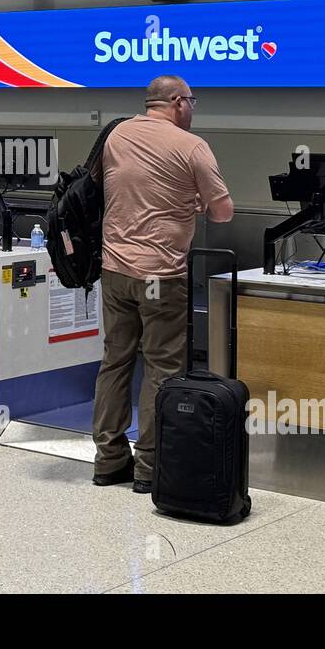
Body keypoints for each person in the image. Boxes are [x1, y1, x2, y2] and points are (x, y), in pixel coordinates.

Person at [91, 74, 234, 493]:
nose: (192, 107)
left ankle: (108, 459)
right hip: (160, 276)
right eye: (192, 100)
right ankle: (149, 467)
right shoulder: (191, 146)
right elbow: (223, 212)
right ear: (176, 102)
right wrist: (193, 203)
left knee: (114, 361)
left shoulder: (116, 135)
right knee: (161, 367)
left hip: (115, 271)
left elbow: (119, 189)